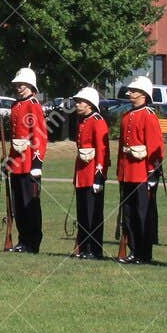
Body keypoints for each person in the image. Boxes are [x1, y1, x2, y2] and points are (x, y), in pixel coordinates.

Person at [115, 76, 162, 264]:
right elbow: (121, 147)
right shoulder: (128, 115)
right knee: (129, 214)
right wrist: (120, 171)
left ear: (143, 94)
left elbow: (155, 147)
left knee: (142, 214)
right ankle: (134, 250)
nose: (129, 93)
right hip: (128, 172)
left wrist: (152, 173)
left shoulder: (148, 116)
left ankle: (144, 252)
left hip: (142, 172)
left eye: (133, 91)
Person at [5, 66, 49, 254]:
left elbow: (39, 134)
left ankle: (32, 241)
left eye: (22, 84)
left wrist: (37, 162)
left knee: (30, 204)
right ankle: (23, 240)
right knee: (19, 205)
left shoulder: (33, 105)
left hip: (29, 162)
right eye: (18, 84)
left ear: (31, 86)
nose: (19, 87)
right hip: (17, 162)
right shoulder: (16, 105)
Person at [71, 87, 109, 259]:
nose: (77, 105)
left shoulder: (97, 121)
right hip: (82, 173)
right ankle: (84, 247)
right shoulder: (83, 121)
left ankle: (94, 249)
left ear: (90, 105)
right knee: (83, 214)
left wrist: (99, 175)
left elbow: (102, 150)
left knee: (93, 214)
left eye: (80, 102)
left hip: (92, 173)